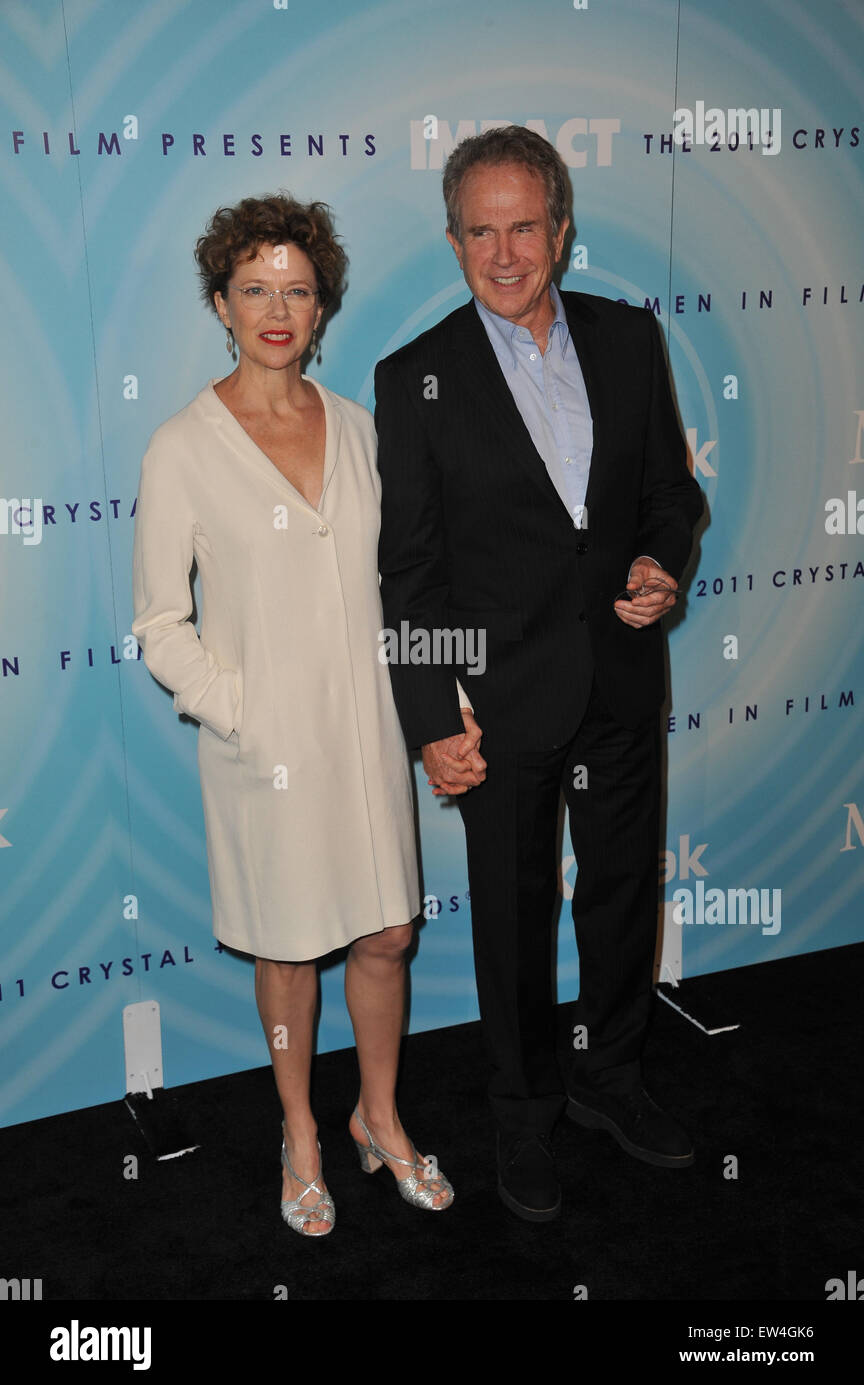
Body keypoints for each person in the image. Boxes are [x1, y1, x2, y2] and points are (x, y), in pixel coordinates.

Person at [374, 127, 704, 1222]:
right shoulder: (414, 377)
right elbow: (409, 572)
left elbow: (670, 494)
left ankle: (612, 1077)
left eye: (524, 225)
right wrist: (429, 717)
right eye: (481, 229)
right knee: (513, 922)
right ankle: (523, 1115)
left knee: (619, 898)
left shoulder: (626, 337)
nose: (504, 251)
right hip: (499, 705)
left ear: (561, 229)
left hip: (616, 680)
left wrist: (662, 563)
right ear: (455, 237)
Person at [131, 193, 453, 1236]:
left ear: (323, 307)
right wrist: (241, 709)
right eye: (255, 289)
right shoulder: (182, 445)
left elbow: (403, 585)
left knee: (389, 934)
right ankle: (302, 1134)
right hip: (265, 750)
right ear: (221, 303)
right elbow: (158, 622)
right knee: (287, 949)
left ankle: (379, 1115)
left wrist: (437, 696)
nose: (278, 309)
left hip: (367, 735)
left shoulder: (359, 428)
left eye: (299, 290)